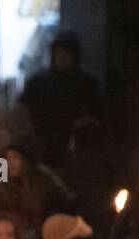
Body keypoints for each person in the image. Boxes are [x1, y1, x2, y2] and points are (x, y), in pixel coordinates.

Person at [18, 30, 104, 167]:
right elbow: (21, 112)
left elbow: (96, 118)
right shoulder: (38, 83)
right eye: (58, 52)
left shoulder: (87, 85)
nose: (61, 56)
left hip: (77, 154)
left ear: (74, 55)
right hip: (42, 151)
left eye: (66, 52)